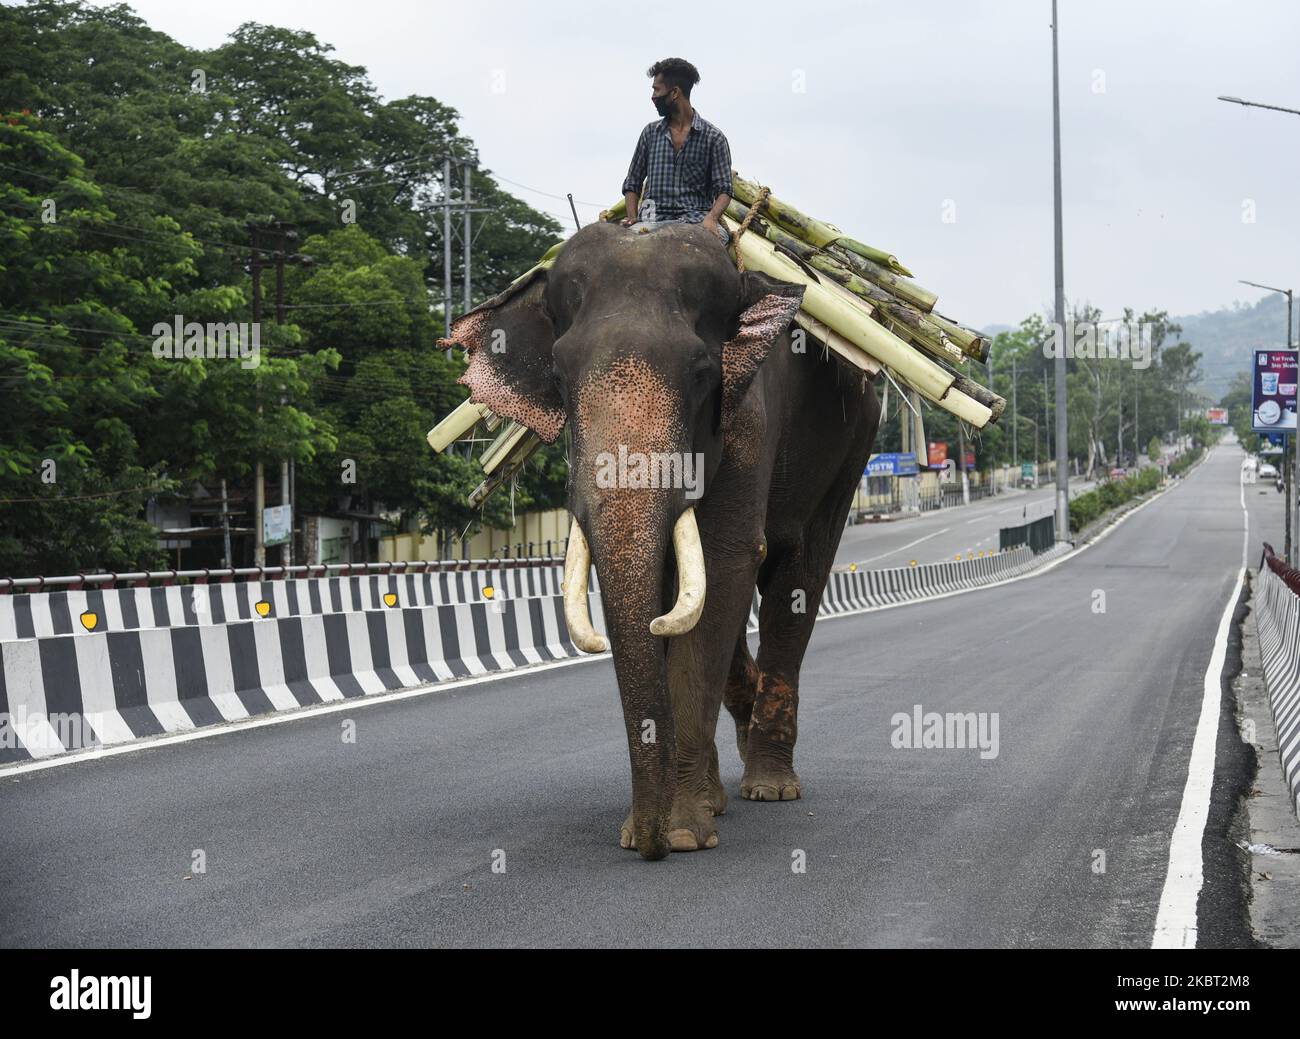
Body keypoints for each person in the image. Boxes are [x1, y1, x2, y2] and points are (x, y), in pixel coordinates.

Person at [620, 58, 733, 245]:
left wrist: (711, 218)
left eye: (657, 90)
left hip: (695, 222)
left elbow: (725, 189)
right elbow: (633, 183)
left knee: (720, 240)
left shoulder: (714, 138)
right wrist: (632, 217)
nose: (653, 97)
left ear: (674, 93)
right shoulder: (650, 133)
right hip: (651, 221)